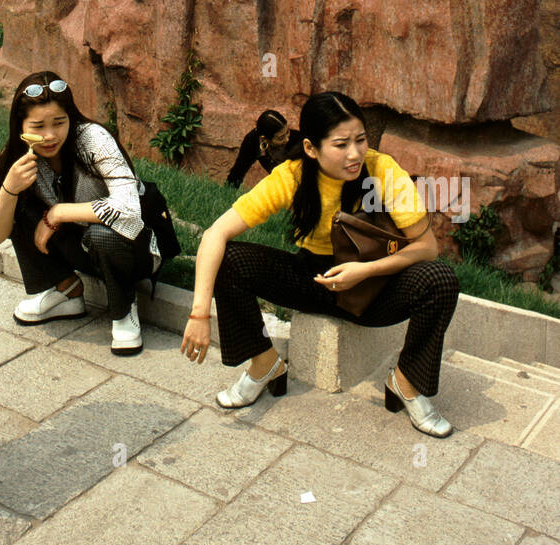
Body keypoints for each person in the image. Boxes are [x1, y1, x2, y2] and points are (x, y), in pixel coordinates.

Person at [181, 91, 459, 437]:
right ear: (311, 148)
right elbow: (215, 234)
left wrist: (367, 270)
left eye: (360, 140)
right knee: (229, 260)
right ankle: (265, 364)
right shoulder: (292, 176)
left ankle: (406, 382)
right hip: (312, 277)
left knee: (441, 278)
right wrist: (199, 313)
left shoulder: (382, 171)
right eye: (341, 145)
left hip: (372, 288)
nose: (355, 153)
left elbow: (428, 247)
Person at [0, 72, 161, 355]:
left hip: (133, 249)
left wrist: (58, 212)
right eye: (38, 126)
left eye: (59, 123)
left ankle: (124, 307)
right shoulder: (20, 155)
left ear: (71, 118)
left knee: (102, 234)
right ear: (21, 126)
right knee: (17, 205)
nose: (50, 135)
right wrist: (9, 189)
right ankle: (66, 291)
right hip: (81, 245)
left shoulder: (93, 140)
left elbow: (129, 211)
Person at [226, 109, 299, 187]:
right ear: (264, 139)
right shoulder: (253, 141)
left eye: (287, 132)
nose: (287, 139)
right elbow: (237, 173)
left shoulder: (297, 140)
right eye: (280, 138)